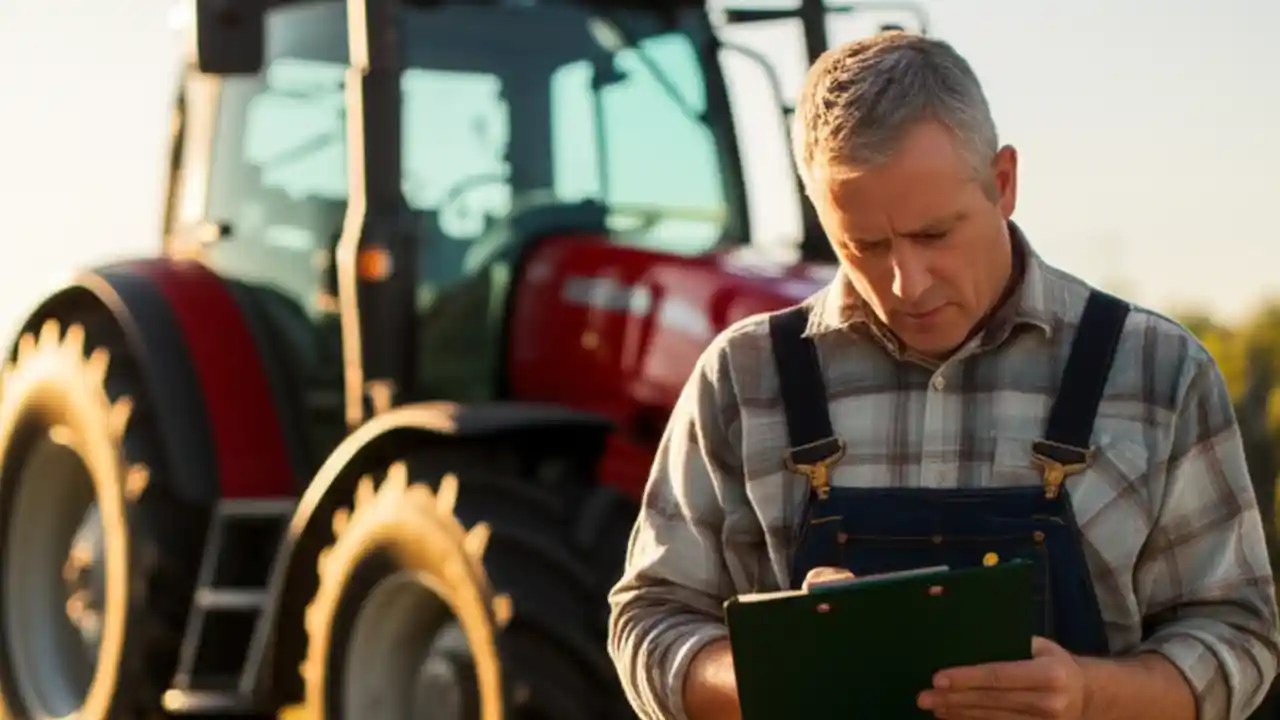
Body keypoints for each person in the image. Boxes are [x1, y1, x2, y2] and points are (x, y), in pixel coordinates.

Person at [606, 30, 1280, 720]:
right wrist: (785, 673)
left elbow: (1238, 633)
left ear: (1004, 182)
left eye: (934, 234)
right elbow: (650, 620)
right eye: (864, 245)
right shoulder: (743, 379)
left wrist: (1086, 695)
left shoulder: (1156, 372)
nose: (906, 282)